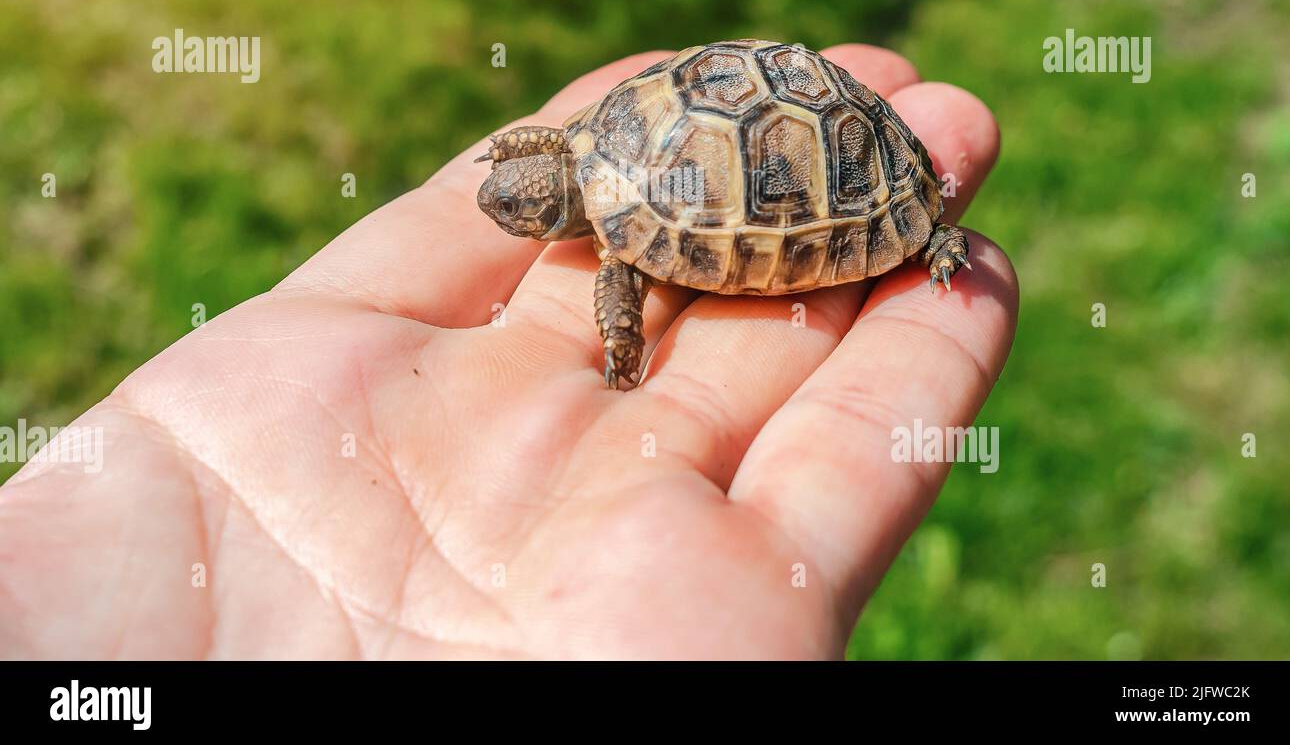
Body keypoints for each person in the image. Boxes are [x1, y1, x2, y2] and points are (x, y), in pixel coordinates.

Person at [0, 43, 1017, 659]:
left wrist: (622, 348)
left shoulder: (615, 229)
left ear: (558, 206)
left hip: (833, 170)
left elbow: (621, 277)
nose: (509, 212)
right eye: (521, 204)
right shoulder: (592, 167)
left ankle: (912, 226)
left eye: (524, 211)